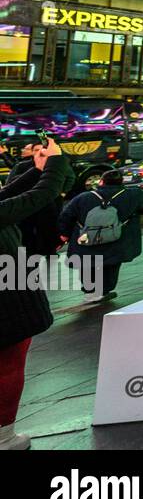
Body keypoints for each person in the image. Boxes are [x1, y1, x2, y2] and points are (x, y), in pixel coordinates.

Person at [0, 140, 73, 450]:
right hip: (8, 297)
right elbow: (37, 198)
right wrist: (53, 165)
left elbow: (6, 200)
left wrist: (37, 169)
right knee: (8, 365)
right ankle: (3, 436)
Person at [59, 169, 143, 303]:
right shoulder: (133, 195)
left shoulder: (84, 197)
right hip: (116, 240)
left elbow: (66, 215)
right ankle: (103, 291)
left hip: (87, 240)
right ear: (121, 182)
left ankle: (89, 291)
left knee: (87, 264)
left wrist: (64, 234)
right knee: (111, 265)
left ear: (101, 181)